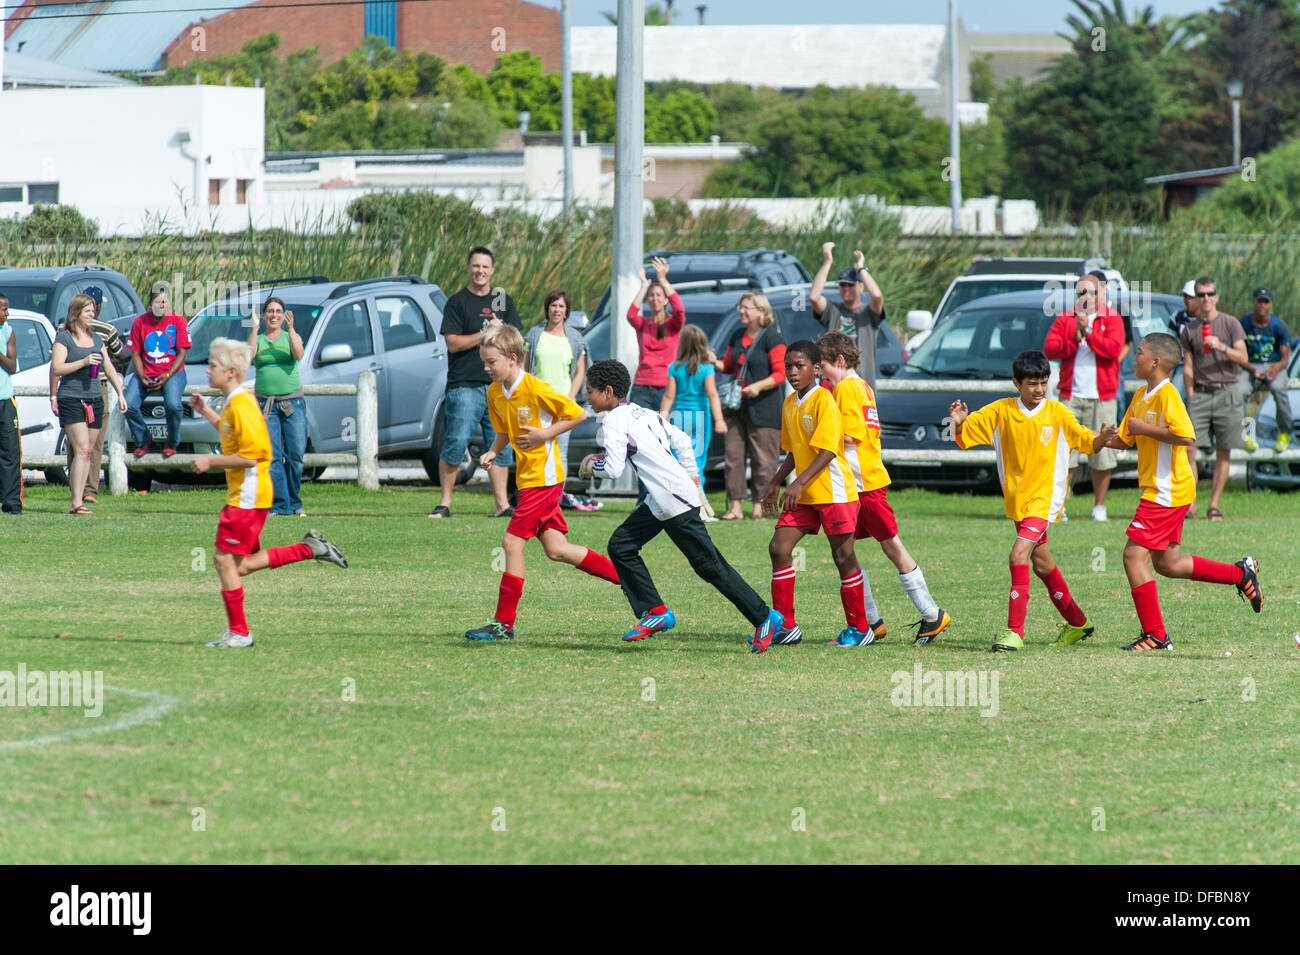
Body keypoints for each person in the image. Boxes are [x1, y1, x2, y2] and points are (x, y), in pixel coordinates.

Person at [580, 359, 783, 650]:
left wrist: (591, 465)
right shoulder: (644, 412)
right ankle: (655, 612)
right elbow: (684, 441)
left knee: (710, 566)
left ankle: (766, 618)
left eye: (590, 392)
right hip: (663, 499)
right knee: (621, 545)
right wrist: (692, 478)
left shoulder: (612, 420)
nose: (587, 397)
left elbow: (612, 469)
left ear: (608, 391)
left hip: (672, 501)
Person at [1101, 333, 1262, 652]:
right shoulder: (1142, 395)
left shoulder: (1167, 394)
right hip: (1164, 491)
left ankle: (1156, 636)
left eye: (1140, 354)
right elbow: (1125, 438)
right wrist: (1094, 439)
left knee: (1133, 555)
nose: (1134, 359)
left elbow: (1186, 436)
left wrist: (1141, 428)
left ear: (1156, 362)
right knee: (1167, 563)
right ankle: (1239, 573)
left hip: (1166, 491)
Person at [948, 350, 1117, 652]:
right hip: (1018, 502)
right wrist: (959, 423)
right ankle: (1078, 623)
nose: (1039, 390)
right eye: (1032, 384)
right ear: (1016, 383)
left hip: (1045, 499)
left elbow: (1086, 442)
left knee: (1017, 556)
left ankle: (1014, 632)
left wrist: (1102, 439)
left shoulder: (1058, 413)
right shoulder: (1000, 412)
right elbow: (964, 435)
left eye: (1043, 383)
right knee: (1042, 565)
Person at [464, 325, 621, 641]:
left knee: (511, 544)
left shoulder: (535, 388)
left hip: (545, 480)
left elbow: (577, 414)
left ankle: (503, 624)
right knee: (557, 549)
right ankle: (628, 579)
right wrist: (494, 452)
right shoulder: (495, 392)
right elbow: (504, 430)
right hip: (528, 479)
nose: (486, 368)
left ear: (512, 358)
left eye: (491, 362)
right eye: (484, 362)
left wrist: (545, 434)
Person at [189, 338, 348, 648]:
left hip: (248, 497)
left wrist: (210, 460)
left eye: (213, 366)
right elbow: (231, 434)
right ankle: (309, 548)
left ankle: (240, 632)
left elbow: (252, 456)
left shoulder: (242, 403)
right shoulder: (232, 400)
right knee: (241, 565)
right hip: (249, 495)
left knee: (224, 561)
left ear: (232, 371)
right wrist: (205, 410)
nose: (207, 371)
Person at [817, 331, 950, 646]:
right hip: (862, 483)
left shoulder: (847, 388)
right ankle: (871, 621)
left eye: (822, 365)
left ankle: (931, 613)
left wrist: (818, 440)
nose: (820, 372)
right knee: (845, 550)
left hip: (863, 484)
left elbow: (851, 436)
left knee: (890, 547)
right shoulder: (860, 384)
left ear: (839, 360)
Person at [759, 339, 871, 650]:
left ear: (817, 369)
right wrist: (776, 482)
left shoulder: (824, 399)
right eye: (788, 367)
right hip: (806, 493)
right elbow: (796, 451)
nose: (793, 372)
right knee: (779, 547)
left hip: (834, 492)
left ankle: (860, 629)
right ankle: (786, 625)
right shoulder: (790, 403)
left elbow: (827, 451)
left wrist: (797, 483)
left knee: (843, 557)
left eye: (800, 366)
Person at [430, 246, 522, 519]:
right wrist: (485, 333)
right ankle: (445, 503)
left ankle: (502, 506)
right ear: (468, 268)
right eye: (476, 266)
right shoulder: (458, 302)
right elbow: (452, 342)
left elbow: (516, 340)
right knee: (456, 443)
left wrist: (501, 331)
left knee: (500, 446)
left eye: (485, 267)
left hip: (499, 388)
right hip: (465, 385)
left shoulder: (503, 300)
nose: (480, 271)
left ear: (492, 270)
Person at [1043, 272, 1125, 522]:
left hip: (1102, 397)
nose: (1086, 297)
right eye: (1081, 293)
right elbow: (1050, 348)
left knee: (1102, 453)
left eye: (1091, 292)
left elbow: (1113, 350)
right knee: (1066, 454)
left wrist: (1088, 331)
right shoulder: (1065, 318)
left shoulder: (1112, 318)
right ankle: (1061, 505)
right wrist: (1075, 337)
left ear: (1101, 293)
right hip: (1071, 396)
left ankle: (1099, 506)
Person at [1179, 276, 1249, 520]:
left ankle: (1214, 505)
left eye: (1210, 294)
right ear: (1196, 298)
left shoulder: (1231, 324)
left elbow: (1244, 358)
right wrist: (1190, 396)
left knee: (1224, 451)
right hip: (1200, 393)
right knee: (1188, 449)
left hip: (1227, 391)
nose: (1206, 299)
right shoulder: (1190, 329)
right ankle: (1191, 504)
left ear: (1217, 296)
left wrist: (1221, 346)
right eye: (1201, 295)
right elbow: (1187, 366)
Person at [50, 295, 127, 516]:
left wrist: (120, 392)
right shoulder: (64, 338)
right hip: (72, 398)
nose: (92, 315)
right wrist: (83, 362)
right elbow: (57, 368)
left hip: (94, 398)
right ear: (76, 313)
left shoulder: (96, 339)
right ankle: (76, 502)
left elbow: (109, 366)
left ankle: (81, 498)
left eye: (93, 311)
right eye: (88, 311)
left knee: (88, 451)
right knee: (81, 449)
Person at [711, 291, 786, 520]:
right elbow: (728, 365)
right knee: (733, 457)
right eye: (740, 307)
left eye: (746, 308)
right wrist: (713, 361)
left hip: (764, 408)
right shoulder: (737, 335)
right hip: (736, 407)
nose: (741, 311)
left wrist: (759, 387)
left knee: (764, 460)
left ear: (761, 311)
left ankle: (759, 507)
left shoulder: (772, 337)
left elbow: (781, 373)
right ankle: (735, 507)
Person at [247, 297, 308, 516]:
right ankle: (280, 504)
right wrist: (254, 328)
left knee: (296, 454)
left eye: (278, 311)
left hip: (293, 402)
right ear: (264, 316)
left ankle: (295, 501)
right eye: (270, 311)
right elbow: (249, 355)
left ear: (284, 315)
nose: (274, 315)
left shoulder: (290, 335)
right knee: (272, 456)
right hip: (266, 404)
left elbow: (298, 354)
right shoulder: (259, 339)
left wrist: (291, 330)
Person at [523, 289, 588, 476]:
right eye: (553, 305)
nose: (557, 310)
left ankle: (557, 499)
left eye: (561, 306)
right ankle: (534, 496)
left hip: (563, 405)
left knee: (560, 454)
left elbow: (579, 371)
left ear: (567, 311)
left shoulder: (575, 338)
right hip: (537, 403)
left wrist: (570, 399)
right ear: (547, 308)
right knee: (535, 451)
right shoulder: (535, 334)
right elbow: (524, 367)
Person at [125, 282, 191, 458]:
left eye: (164, 302)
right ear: (151, 303)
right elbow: (136, 355)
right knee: (128, 405)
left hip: (172, 372)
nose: (161, 306)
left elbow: (181, 353)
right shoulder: (140, 322)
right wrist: (142, 375)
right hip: (146, 372)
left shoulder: (178, 321)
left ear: (169, 302)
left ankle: (172, 440)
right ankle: (143, 438)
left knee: (173, 406)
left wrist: (168, 375)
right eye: (157, 302)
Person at [810, 241, 887, 390]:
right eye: (842, 285)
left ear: (861, 286)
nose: (846, 288)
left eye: (850, 284)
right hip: (832, 385)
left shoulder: (868, 313)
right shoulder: (833, 310)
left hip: (861, 385)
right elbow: (814, 297)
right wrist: (827, 262)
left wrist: (861, 269)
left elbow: (877, 296)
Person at [660, 324, 726, 494]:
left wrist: (661, 418)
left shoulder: (674, 368)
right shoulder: (706, 368)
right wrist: (719, 420)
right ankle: (697, 501)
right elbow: (712, 394)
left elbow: (668, 396)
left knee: (678, 461)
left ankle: (677, 499)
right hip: (700, 418)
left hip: (679, 417)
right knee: (697, 463)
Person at [626, 256, 685, 411]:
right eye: (651, 296)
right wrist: (644, 287)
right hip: (642, 386)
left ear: (666, 300)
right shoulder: (643, 324)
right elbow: (631, 315)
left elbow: (679, 309)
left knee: (664, 431)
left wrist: (663, 279)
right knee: (638, 431)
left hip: (666, 386)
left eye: (659, 295)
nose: (654, 299)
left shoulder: (672, 325)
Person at [1238, 287, 1291, 453]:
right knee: (1239, 391)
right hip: (1249, 365)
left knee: (1278, 388)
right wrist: (1251, 369)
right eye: (1259, 301)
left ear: (1270, 305)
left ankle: (1284, 432)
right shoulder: (1244, 324)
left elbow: (1285, 358)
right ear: (1253, 302)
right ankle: (1246, 434)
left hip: (1274, 365)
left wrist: (1275, 368)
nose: (1262, 305)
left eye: (1266, 301)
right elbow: (1239, 355)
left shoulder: (1278, 325)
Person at [0, 293, 21, 515]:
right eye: (3, 309)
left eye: (7, 309)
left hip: (5, 400)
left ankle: (12, 502)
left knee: (10, 452)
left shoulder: (8, 332)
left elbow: (12, 366)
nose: (7, 313)